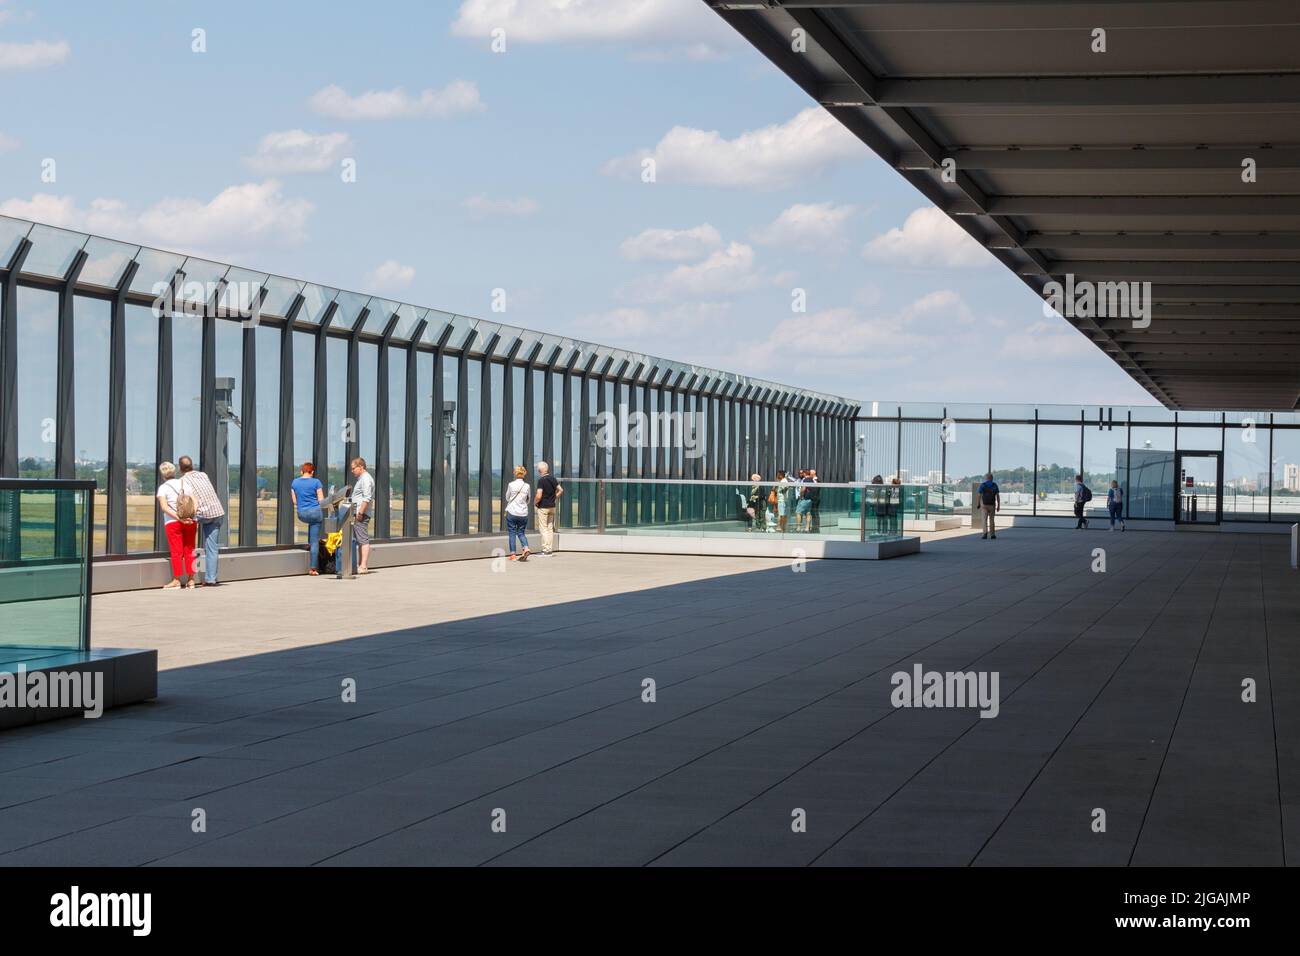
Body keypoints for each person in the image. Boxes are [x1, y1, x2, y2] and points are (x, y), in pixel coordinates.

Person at [177, 456, 225, 587]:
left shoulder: (183, 480)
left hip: (202, 513)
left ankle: (190, 575)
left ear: (180, 468)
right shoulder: (203, 475)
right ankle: (211, 579)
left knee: (189, 541)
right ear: (192, 465)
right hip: (217, 511)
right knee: (212, 547)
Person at [156, 461, 197, 589]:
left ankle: (177, 580)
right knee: (190, 550)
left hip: (173, 522)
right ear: (174, 472)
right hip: (190, 521)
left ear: (162, 474)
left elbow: (164, 507)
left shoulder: (163, 487)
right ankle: (191, 580)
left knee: (176, 552)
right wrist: (190, 516)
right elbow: (195, 501)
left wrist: (179, 518)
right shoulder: (185, 483)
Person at [290, 461, 325, 575]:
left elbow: (294, 501)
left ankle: (309, 545)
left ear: (301, 471)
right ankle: (313, 568)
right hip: (315, 513)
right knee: (315, 541)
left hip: (302, 514)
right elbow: (321, 500)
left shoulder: (295, 482)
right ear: (312, 472)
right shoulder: (316, 482)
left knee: (311, 528)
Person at [349, 457, 375, 573]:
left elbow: (367, 497)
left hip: (361, 513)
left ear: (361, 467)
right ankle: (360, 565)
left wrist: (360, 512)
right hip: (358, 512)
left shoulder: (366, 479)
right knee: (360, 540)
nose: (352, 471)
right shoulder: (362, 479)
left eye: (354, 468)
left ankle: (363, 566)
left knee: (363, 540)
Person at [533, 461, 562, 556]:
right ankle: (549, 549)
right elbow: (561, 490)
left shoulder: (541, 480)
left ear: (539, 470)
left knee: (543, 528)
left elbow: (538, 495)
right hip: (552, 506)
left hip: (543, 507)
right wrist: (554, 498)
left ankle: (545, 549)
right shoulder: (553, 478)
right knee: (550, 528)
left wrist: (535, 502)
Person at [504, 465, 532, 561]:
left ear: (515, 473)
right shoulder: (527, 486)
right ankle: (526, 547)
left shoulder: (511, 484)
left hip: (512, 512)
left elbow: (507, 497)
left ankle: (513, 555)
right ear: (524, 473)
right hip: (523, 513)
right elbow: (528, 500)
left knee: (512, 533)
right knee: (521, 533)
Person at [978, 472, 1000, 540]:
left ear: (986, 478)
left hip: (984, 505)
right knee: (992, 520)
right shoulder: (994, 485)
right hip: (992, 505)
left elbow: (979, 495)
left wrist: (978, 503)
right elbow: (997, 496)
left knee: (984, 520)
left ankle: (984, 534)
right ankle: (992, 534)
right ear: (992, 478)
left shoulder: (983, 485)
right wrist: (998, 505)